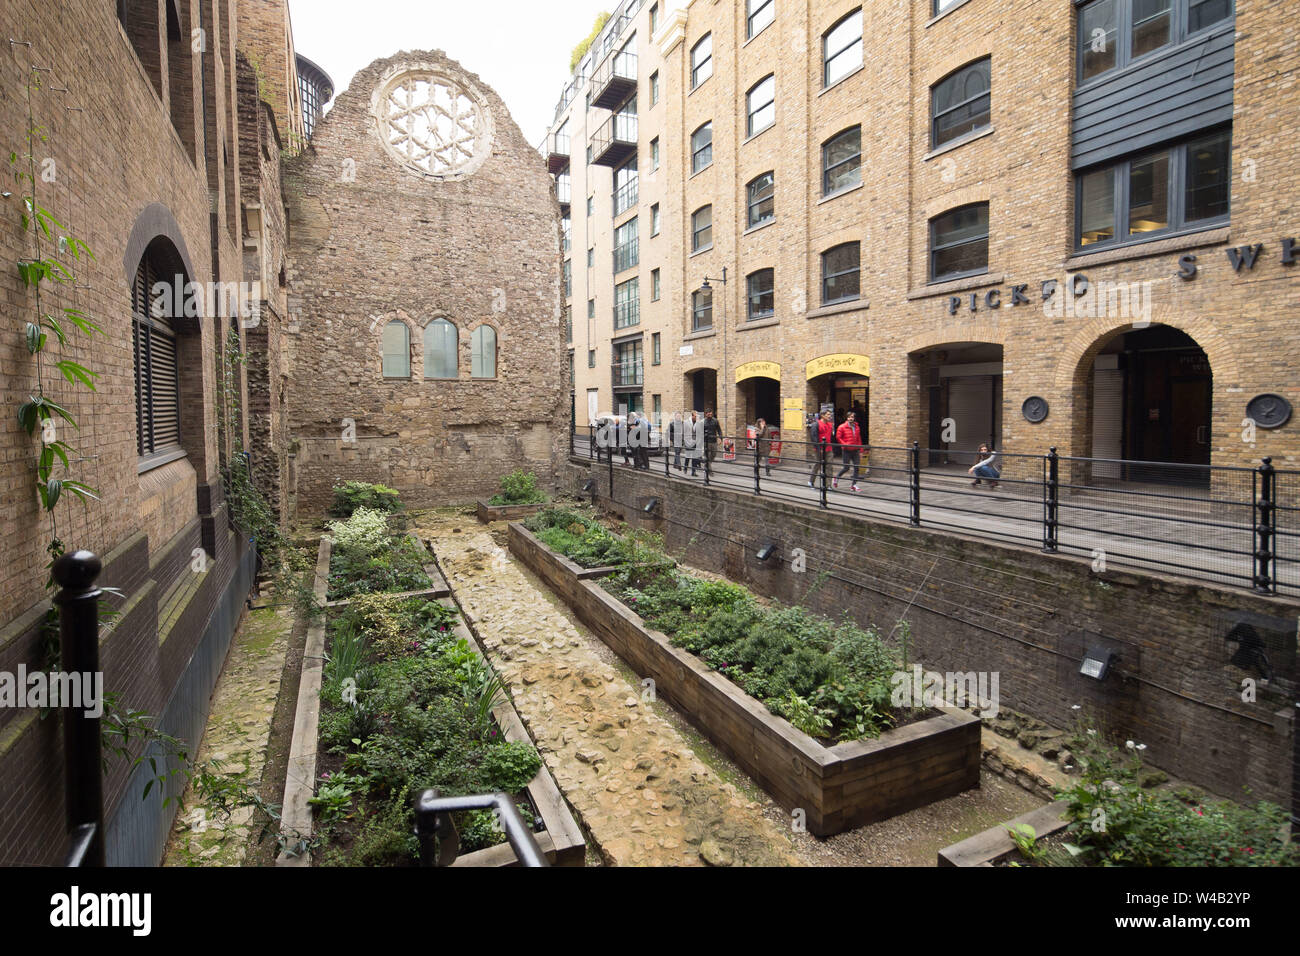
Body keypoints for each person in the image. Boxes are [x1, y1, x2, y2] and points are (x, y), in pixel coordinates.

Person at [834, 411, 863, 492]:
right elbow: (838, 437)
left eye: (852, 417)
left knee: (856, 467)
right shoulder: (842, 427)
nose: (851, 418)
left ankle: (854, 485)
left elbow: (859, 438)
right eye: (849, 417)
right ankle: (836, 478)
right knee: (846, 468)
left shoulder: (857, 427)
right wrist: (845, 444)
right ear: (847, 418)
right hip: (846, 450)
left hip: (855, 450)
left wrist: (861, 450)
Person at [808, 409, 835, 488]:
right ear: (822, 415)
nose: (829, 416)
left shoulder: (830, 425)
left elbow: (831, 436)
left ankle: (828, 485)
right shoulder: (816, 424)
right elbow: (814, 437)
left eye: (830, 415)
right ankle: (811, 481)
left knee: (829, 466)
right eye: (828, 415)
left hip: (829, 448)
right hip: (819, 449)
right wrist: (819, 449)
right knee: (817, 465)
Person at [683, 411, 703, 476]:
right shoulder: (686, 422)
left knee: (694, 457)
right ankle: (685, 468)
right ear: (692, 416)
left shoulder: (698, 422)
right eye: (695, 416)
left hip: (696, 442)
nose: (696, 417)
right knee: (688, 457)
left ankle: (693, 472)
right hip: (688, 442)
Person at [702, 408, 721, 475]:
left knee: (714, 454)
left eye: (711, 412)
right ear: (706, 414)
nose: (710, 414)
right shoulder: (703, 422)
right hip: (706, 441)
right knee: (707, 455)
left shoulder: (715, 421)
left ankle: (706, 465)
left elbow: (719, 430)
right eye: (708, 413)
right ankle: (710, 471)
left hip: (714, 441)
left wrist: (720, 438)